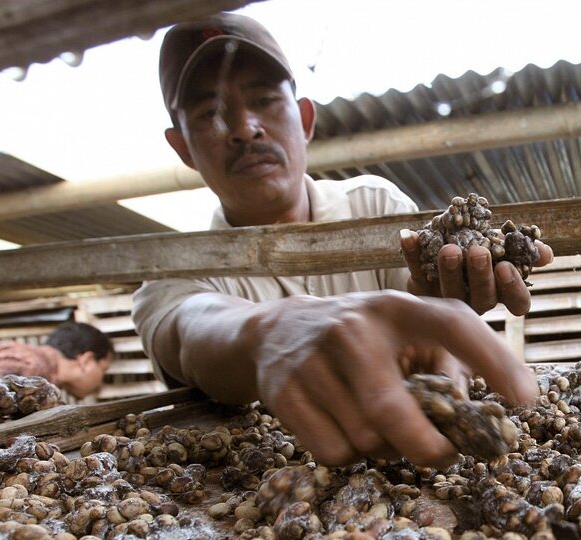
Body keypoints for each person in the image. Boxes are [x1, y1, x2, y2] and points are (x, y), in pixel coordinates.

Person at [132, 12, 553, 467]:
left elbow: (420, 302)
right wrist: (266, 333)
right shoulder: (169, 271)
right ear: (182, 147)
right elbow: (192, 330)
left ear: (306, 119)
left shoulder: (374, 204)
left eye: (265, 100)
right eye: (209, 113)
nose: (245, 128)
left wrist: (443, 298)